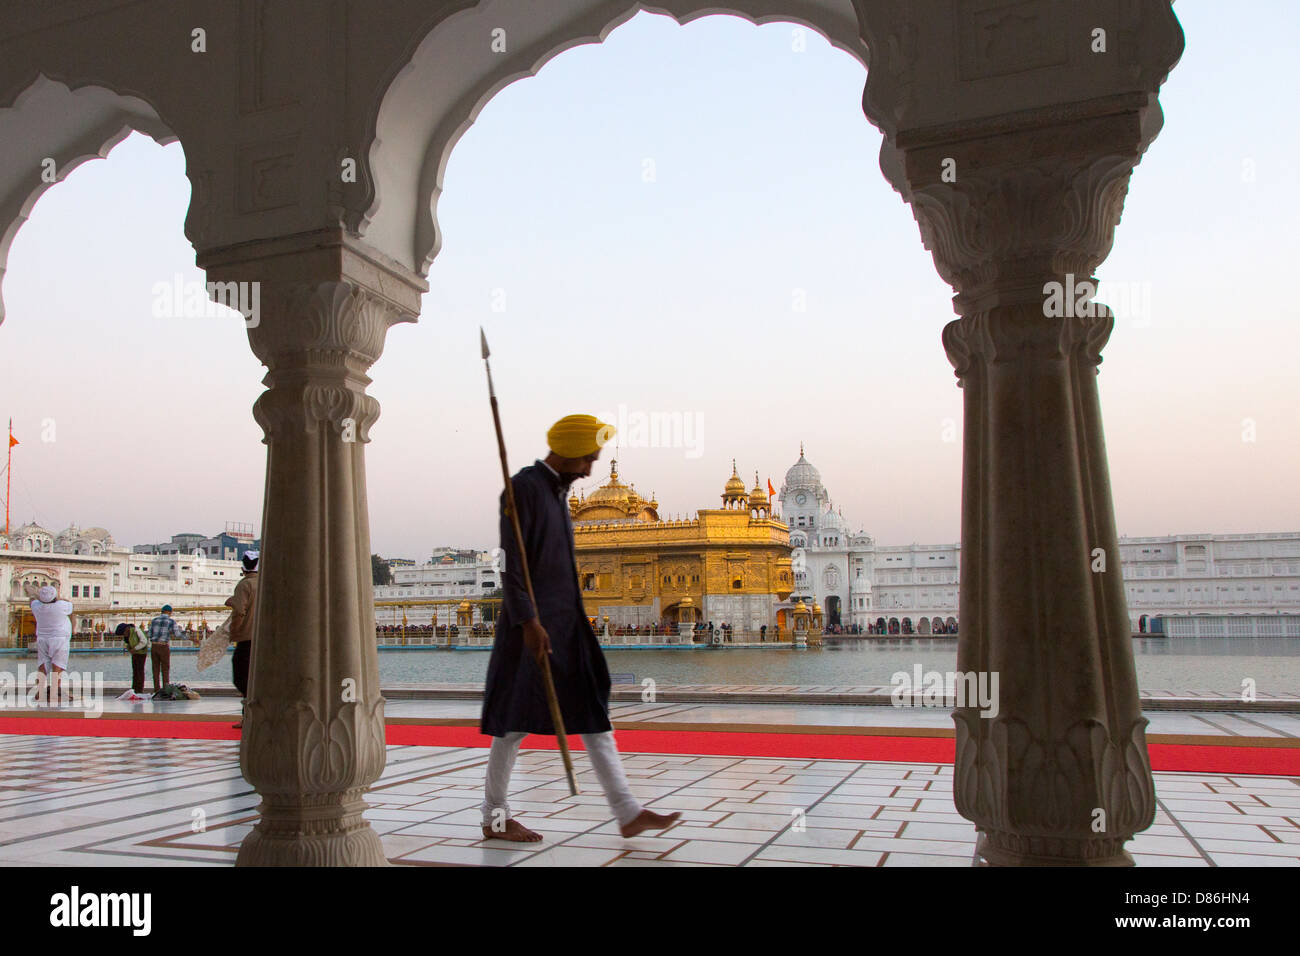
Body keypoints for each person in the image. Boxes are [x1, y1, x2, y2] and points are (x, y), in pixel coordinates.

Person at [480, 414, 681, 843]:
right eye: (589, 456)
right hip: (532, 626)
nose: (592, 466)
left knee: (593, 711)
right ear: (570, 449)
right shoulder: (525, 490)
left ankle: (627, 811)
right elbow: (513, 567)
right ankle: (494, 817)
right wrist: (528, 622)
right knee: (513, 724)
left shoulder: (557, 496)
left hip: (567, 624)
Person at [225, 550, 259, 703]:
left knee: (241, 677)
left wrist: (234, 633)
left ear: (242, 569)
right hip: (262, 638)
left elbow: (239, 611)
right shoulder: (263, 583)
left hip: (247, 637)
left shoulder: (244, 585)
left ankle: (247, 716)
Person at [28, 584, 72, 704]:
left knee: (42, 665)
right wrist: (59, 597)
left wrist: (36, 594)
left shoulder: (36, 606)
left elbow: (32, 600)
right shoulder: (61, 606)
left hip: (42, 638)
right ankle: (53, 693)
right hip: (59, 638)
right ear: (55, 597)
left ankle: (40, 691)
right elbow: (69, 603)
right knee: (57, 666)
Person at [146, 604, 186, 697]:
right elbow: (177, 634)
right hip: (164, 646)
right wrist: (188, 638)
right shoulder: (171, 621)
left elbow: (149, 634)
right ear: (169, 612)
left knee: (155, 669)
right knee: (165, 669)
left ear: (162, 611)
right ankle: (165, 689)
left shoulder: (154, 620)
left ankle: (156, 690)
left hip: (154, 646)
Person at [115, 621, 150, 695]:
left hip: (141, 653)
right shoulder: (128, 634)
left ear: (126, 629)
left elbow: (144, 641)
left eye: (123, 633)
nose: (124, 635)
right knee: (135, 672)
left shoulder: (136, 630)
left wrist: (135, 649)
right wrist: (130, 649)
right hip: (134, 654)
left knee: (139, 672)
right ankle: (134, 689)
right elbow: (128, 643)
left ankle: (139, 690)